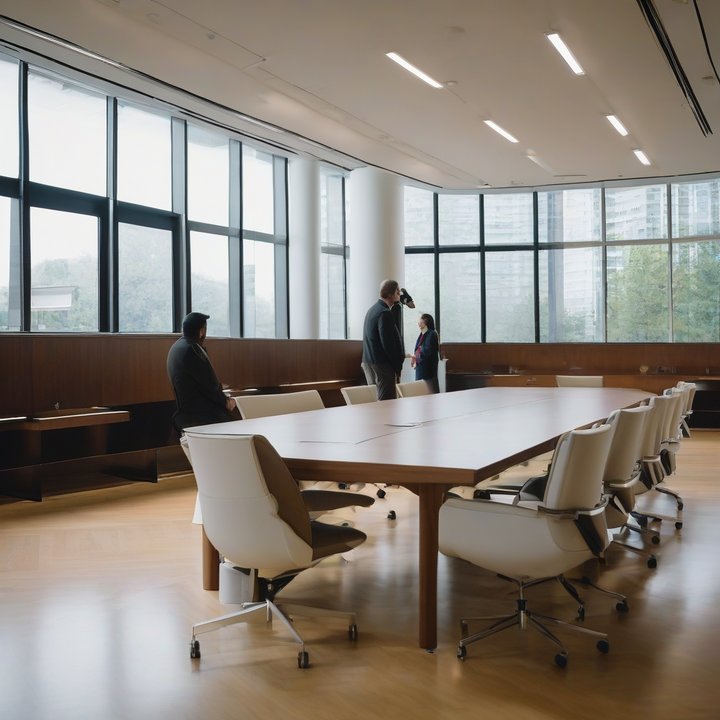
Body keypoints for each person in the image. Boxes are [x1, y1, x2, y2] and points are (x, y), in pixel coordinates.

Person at [167, 311, 237, 431]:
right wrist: (226, 401)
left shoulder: (176, 347)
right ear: (202, 331)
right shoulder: (193, 349)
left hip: (185, 413)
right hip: (202, 415)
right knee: (238, 419)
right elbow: (210, 386)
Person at [361, 280, 405, 400]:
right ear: (390, 294)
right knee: (387, 402)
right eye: (397, 292)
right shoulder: (385, 313)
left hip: (369, 361)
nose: (400, 294)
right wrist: (397, 366)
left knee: (379, 402)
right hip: (382, 364)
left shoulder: (372, 309)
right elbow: (388, 344)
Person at [411, 313, 440, 394]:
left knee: (429, 390)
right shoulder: (422, 334)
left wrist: (415, 357)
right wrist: (415, 358)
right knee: (421, 390)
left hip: (427, 368)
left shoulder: (431, 333)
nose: (418, 322)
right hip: (421, 366)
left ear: (425, 321)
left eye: (420, 319)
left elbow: (426, 350)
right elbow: (419, 349)